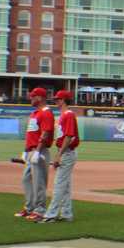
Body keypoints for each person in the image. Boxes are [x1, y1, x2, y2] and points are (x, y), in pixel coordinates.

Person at [40, 91, 78, 223]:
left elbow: (69, 136)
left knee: (59, 185)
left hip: (66, 152)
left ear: (63, 100)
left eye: (57, 99)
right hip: (65, 152)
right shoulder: (63, 115)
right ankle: (67, 214)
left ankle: (51, 215)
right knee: (65, 186)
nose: (55, 101)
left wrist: (58, 155)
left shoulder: (69, 115)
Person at [17, 88, 54, 221]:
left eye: (33, 97)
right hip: (31, 151)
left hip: (40, 151)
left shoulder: (46, 113)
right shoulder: (34, 113)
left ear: (40, 97)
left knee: (39, 182)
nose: (30, 99)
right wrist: (26, 151)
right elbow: (31, 135)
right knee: (26, 179)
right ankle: (29, 207)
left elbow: (46, 133)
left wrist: (38, 151)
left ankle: (40, 210)